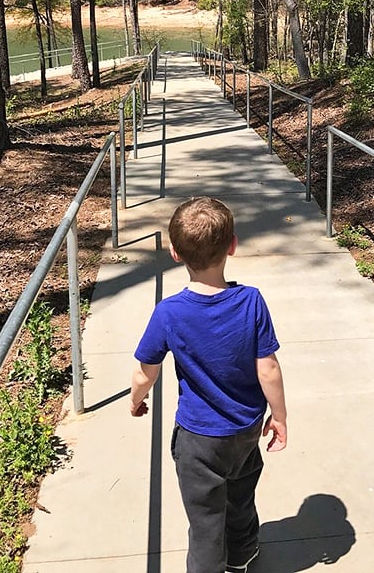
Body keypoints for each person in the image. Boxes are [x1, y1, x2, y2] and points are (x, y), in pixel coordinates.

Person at [130, 196, 287, 573]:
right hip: (246, 428)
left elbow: (144, 371)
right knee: (240, 496)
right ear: (232, 246)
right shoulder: (251, 301)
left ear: (174, 253)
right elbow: (268, 367)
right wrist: (279, 416)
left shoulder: (169, 312)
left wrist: (137, 400)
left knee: (205, 522)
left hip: (199, 438)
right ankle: (242, 556)